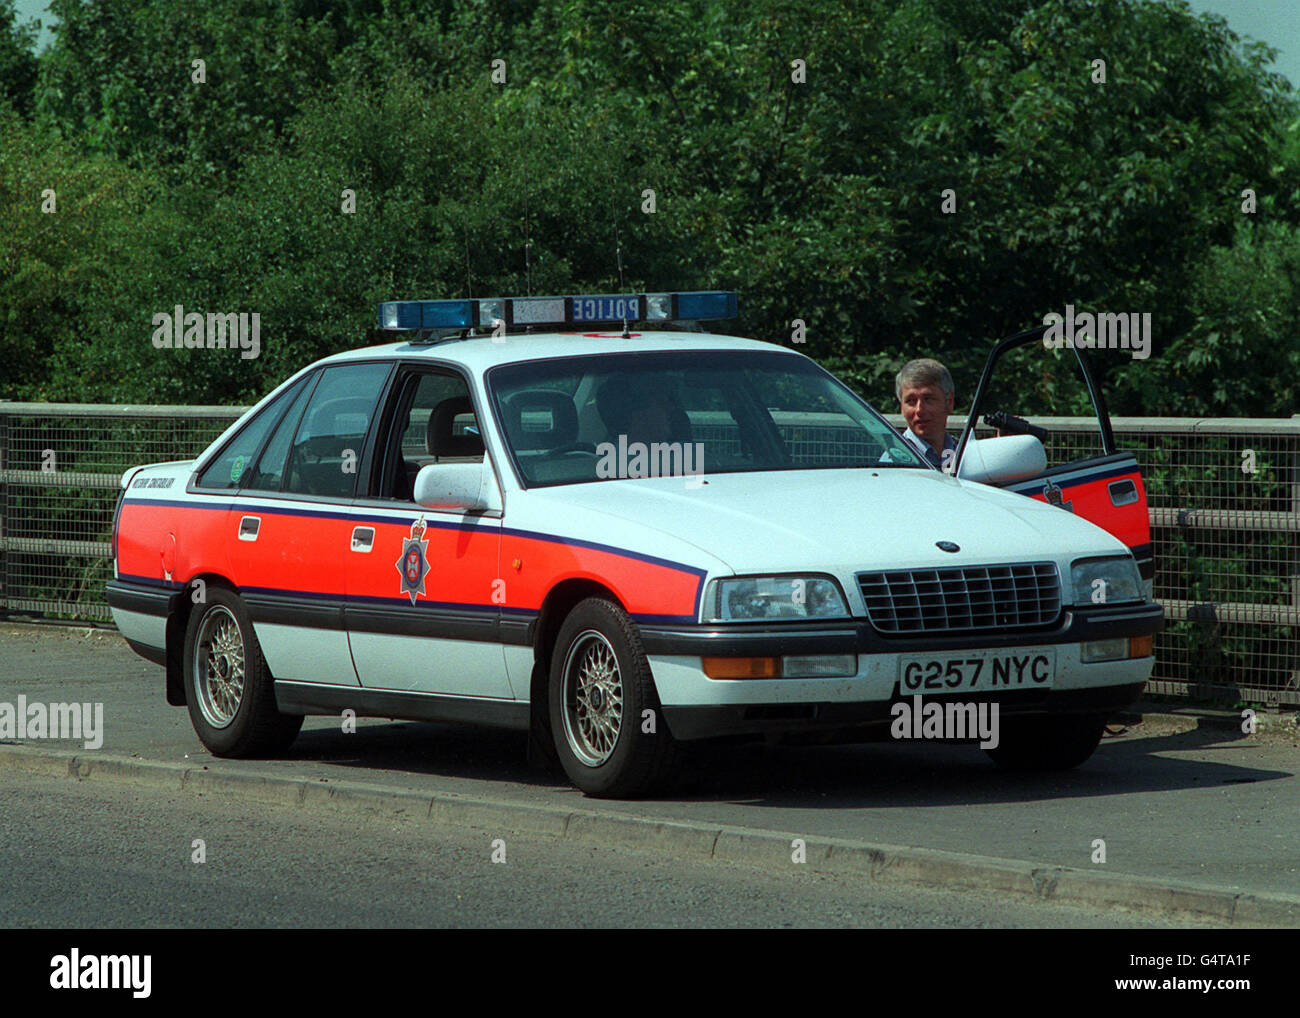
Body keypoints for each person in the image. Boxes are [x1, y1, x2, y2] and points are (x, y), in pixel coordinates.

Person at [895, 358, 958, 472]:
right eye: (911, 401)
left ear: (949, 402)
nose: (919, 410)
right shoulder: (894, 463)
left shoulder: (964, 454)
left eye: (928, 399)